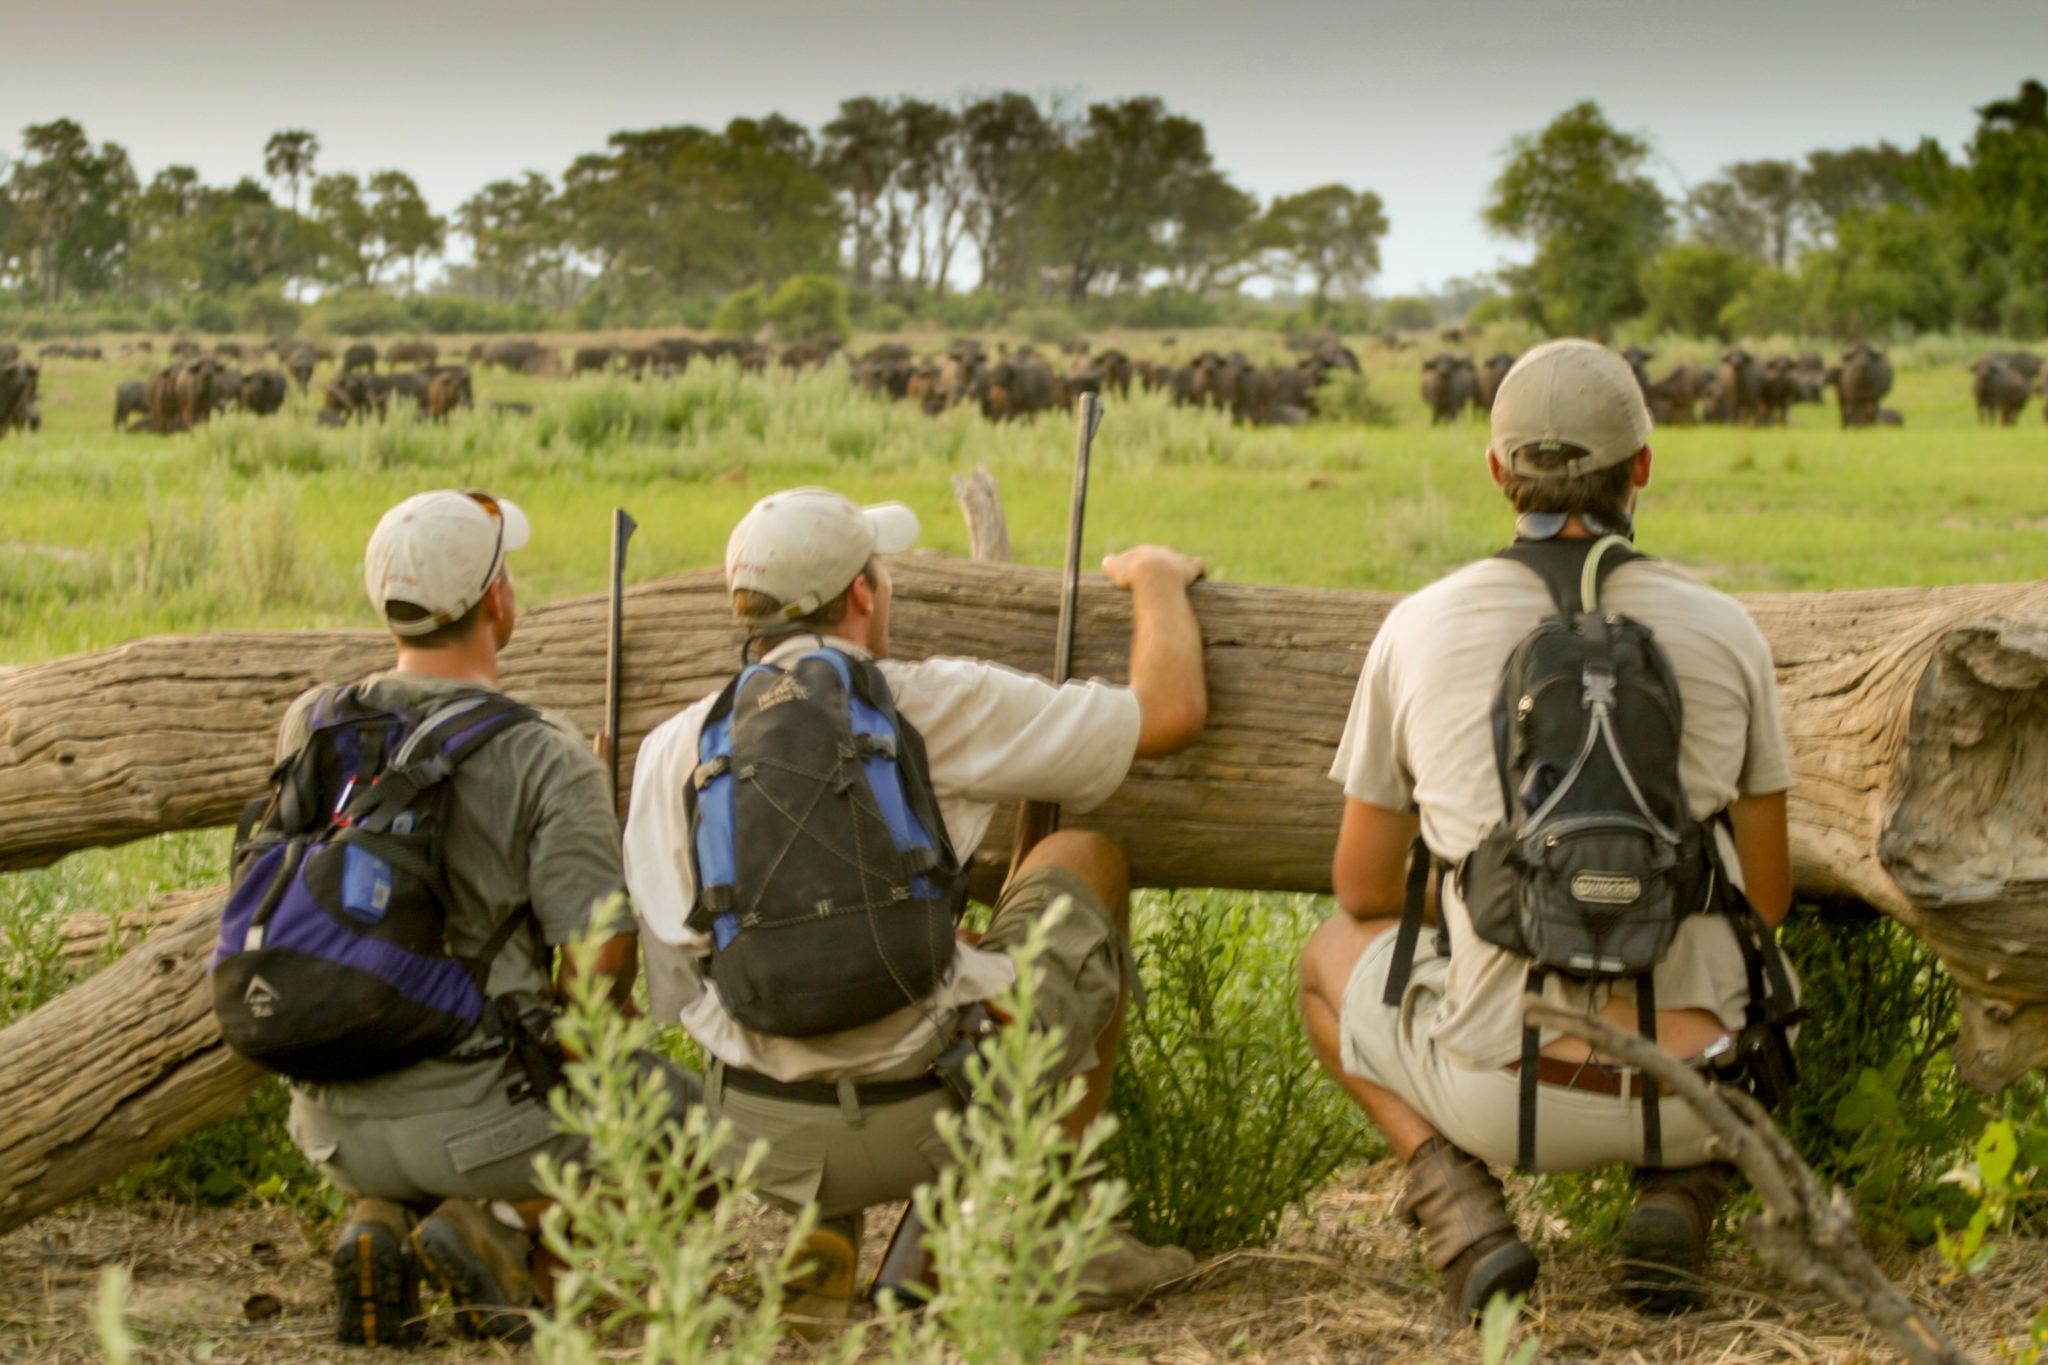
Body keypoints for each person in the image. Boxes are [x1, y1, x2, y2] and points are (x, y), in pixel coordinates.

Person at [1297, 341, 1796, 1324]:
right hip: (1702, 1086)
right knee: (1755, 969)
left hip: (1500, 1088)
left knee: (1325, 960)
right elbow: (1766, 899)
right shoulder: (1724, 629)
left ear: (1496, 471)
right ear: (1642, 467)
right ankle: (1677, 1192)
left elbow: (1358, 892)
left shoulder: (1417, 625)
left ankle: (1462, 1215)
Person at [625, 486, 1209, 1323]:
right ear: (863, 593)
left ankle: (811, 1232)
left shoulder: (671, 748)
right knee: (1085, 856)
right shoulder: (932, 701)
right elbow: (1171, 711)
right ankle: (1059, 1230)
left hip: (762, 1137)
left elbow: (681, 983)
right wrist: (1157, 578)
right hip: (933, 1119)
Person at [282, 489, 697, 1346]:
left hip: (325, 1115)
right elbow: (598, 963)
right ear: (496, 600)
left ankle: (378, 1217)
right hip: (480, 1118)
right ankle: (511, 1235)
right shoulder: (545, 750)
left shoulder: (312, 721)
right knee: (708, 1130)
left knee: (426, 1117)